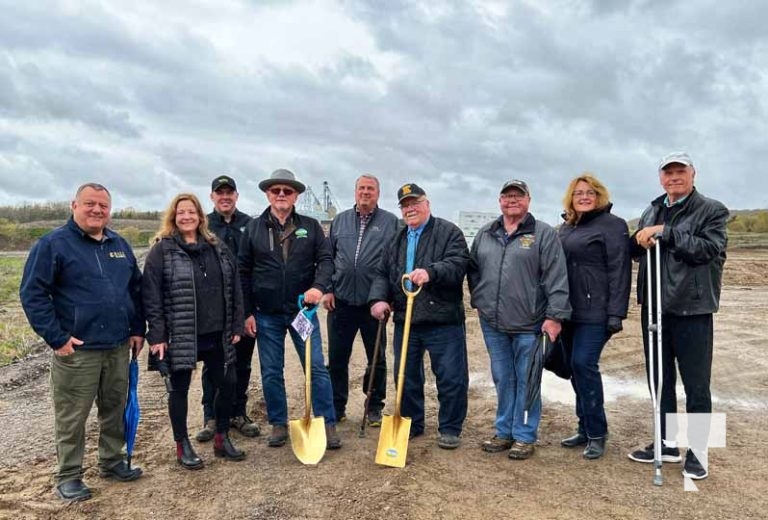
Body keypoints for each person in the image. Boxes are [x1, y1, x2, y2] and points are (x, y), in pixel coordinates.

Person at [20, 183, 144, 502]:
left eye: (103, 205)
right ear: (74, 205)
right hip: (77, 351)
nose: (97, 210)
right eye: (90, 204)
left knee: (114, 408)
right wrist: (56, 337)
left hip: (117, 346)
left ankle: (112, 461)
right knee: (73, 414)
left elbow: (135, 290)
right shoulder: (53, 245)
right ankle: (69, 475)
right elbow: (32, 294)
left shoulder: (119, 244)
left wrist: (137, 329)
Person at [627, 152, 728, 481]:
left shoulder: (711, 209)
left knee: (697, 383)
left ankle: (698, 450)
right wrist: (637, 240)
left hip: (692, 306)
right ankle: (667, 443)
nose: (674, 177)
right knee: (660, 379)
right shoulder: (652, 208)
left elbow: (708, 249)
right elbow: (640, 252)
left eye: (680, 172)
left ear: (692, 174)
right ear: (661, 178)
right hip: (655, 306)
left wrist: (666, 232)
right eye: (668, 172)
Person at [468, 180, 571, 460]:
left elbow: (556, 277)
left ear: (528, 200)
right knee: (503, 378)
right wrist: (479, 300)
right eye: (507, 196)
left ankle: (524, 435)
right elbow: (474, 270)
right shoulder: (486, 233)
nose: (512, 200)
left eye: (518, 196)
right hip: (493, 323)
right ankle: (504, 431)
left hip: (531, 324)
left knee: (527, 380)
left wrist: (555, 316)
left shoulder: (543, 234)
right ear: (499, 201)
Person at [239, 168, 341, 449]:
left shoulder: (310, 226)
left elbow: (327, 260)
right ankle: (278, 423)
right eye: (276, 191)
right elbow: (243, 271)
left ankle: (326, 422)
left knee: (316, 368)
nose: (281, 195)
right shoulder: (254, 228)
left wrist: (319, 287)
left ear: (296, 195)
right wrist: (248, 311)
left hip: (302, 312)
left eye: (287, 191)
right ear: (267, 194)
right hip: (267, 313)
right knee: (272, 370)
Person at [143, 193, 246, 469]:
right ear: (173, 218)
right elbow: (151, 296)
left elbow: (234, 286)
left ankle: (222, 436)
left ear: (201, 216)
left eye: (191, 212)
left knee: (228, 383)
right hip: (182, 333)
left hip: (217, 332)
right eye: (181, 213)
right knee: (179, 390)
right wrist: (157, 336)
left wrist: (236, 323)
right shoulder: (161, 251)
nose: (186, 217)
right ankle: (182, 445)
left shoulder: (217, 247)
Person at [369, 183, 469, 449]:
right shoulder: (397, 239)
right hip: (406, 319)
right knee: (406, 374)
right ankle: (412, 421)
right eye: (404, 205)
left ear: (427, 204)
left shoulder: (449, 232)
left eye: (415, 203)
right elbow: (382, 273)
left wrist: (431, 272)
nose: (410, 209)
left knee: (450, 376)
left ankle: (450, 427)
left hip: (442, 319)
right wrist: (379, 299)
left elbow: (459, 264)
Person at [557, 174, 631, 459]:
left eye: (590, 192)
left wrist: (616, 313)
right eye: (578, 193)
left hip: (596, 312)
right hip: (567, 311)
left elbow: (619, 270)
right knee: (573, 368)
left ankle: (598, 432)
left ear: (599, 195)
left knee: (583, 363)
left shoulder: (613, 226)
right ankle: (584, 426)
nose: (584, 197)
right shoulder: (567, 226)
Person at [324, 174, 398, 426]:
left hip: (373, 303)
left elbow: (393, 263)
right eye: (361, 188)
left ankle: (375, 405)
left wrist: (386, 298)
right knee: (336, 359)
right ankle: (337, 405)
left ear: (378, 193)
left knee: (376, 358)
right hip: (341, 301)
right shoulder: (340, 221)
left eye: (371, 189)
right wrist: (328, 289)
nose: (365, 192)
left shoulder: (391, 223)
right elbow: (328, 258)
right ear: (355, 192)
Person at [195, 175, 260, 442]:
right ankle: (211, 415)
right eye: (219, 193)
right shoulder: (203, 226)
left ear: (236, 195)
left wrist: (250, 311)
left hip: (242, 307)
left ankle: (237, 413)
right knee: (213, 365)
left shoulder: (250, 225)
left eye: (229, 192)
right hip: (213, 309)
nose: (225, 197)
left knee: (242, 364)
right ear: (212, 197)